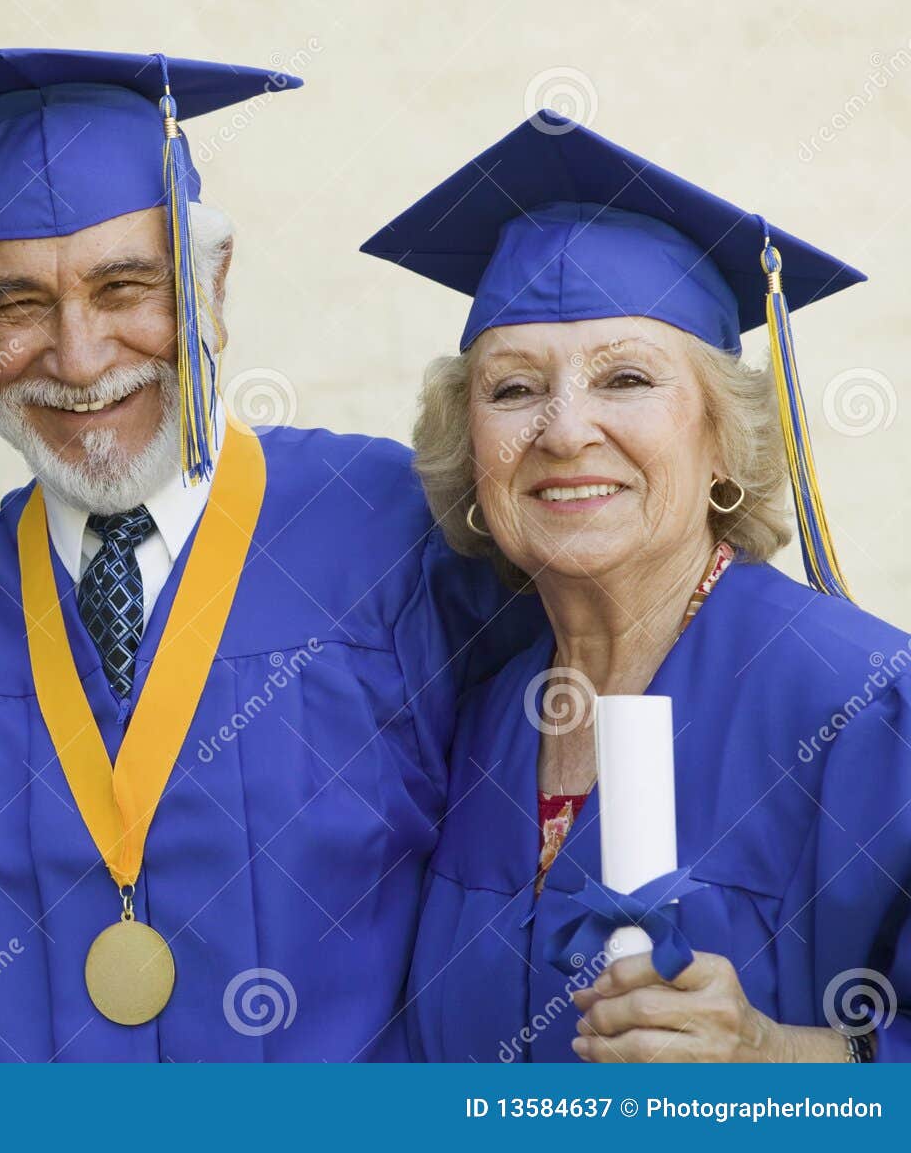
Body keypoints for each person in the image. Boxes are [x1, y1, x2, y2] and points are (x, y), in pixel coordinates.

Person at [0, 48, 533, 1061]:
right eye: (14, 303)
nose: (77, 353)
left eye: (124, 287)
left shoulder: (409, 534)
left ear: (212, 284)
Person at [364, 111, 911, 1062]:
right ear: (473, 454)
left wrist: (777, 1058)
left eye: (624, 379)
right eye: (514, 390)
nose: (566, 431)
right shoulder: (476, 714)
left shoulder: (863, 706)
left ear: (721, 441)